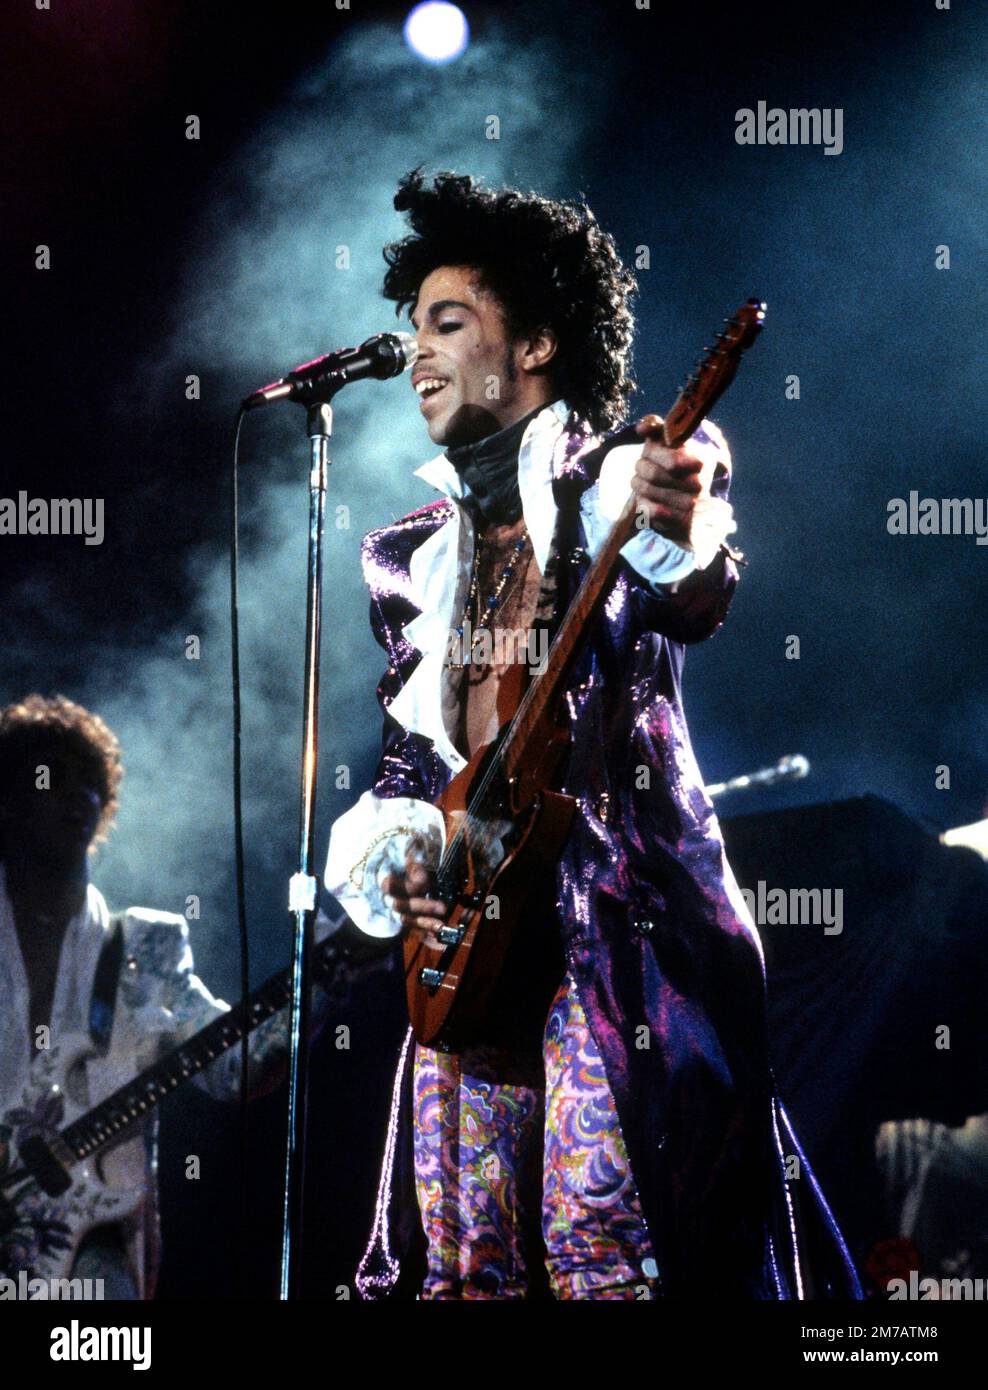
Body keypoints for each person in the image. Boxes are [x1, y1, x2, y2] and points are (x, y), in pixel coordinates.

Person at [325, 169, 862, 1300]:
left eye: (447, 322)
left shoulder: (614, 477)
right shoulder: (411, 558)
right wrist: (405, 866)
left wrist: (678, 516)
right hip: (470, 972)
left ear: (534, 346)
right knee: (472, 1271)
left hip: (611, 957)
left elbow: (692, 584)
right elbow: (408, 773)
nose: (415, 352)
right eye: (412, 326)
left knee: (613, 1260)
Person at [0, 693, 330, 1298]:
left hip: (91, 1257)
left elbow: (237, 1067)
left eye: (90, 783)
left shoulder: (147, 947)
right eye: (51, 778)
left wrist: (322, 980)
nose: (77, 795)